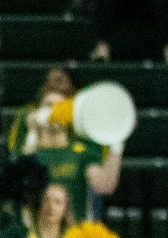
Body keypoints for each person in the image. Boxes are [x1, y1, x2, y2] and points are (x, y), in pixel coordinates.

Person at [22, 90, 122, 220]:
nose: (55, 110)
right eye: (49, 105)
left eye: (61, 105)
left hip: (73, 234)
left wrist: (117, 143)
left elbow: (105, 186)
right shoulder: (30, 152)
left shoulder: (82, 152)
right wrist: (32, 132)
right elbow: (21, 182)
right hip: (36, 234)